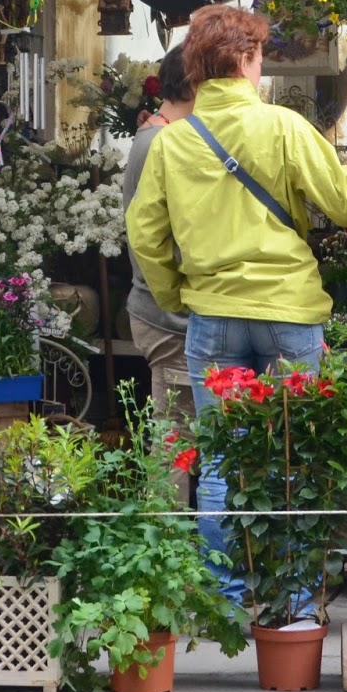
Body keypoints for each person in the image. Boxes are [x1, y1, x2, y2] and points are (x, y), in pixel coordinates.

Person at [126, 4, 347, 594]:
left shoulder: (172, 143)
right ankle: (296, 601)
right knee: (295, 461)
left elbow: (145, 233)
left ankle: (227, 600)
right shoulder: (281, 127)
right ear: (247, 60)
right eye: (258, 56)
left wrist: (180, 292)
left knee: (221, 465)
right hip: (287, 316)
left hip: (212, 319)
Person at [122, 46, 195, 424]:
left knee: (177, 438)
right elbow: (153, 237)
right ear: (198, 85)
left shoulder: (158, 134)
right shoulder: (158, 143)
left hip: (163, 311)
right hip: (167, 316)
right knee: (175, 441)